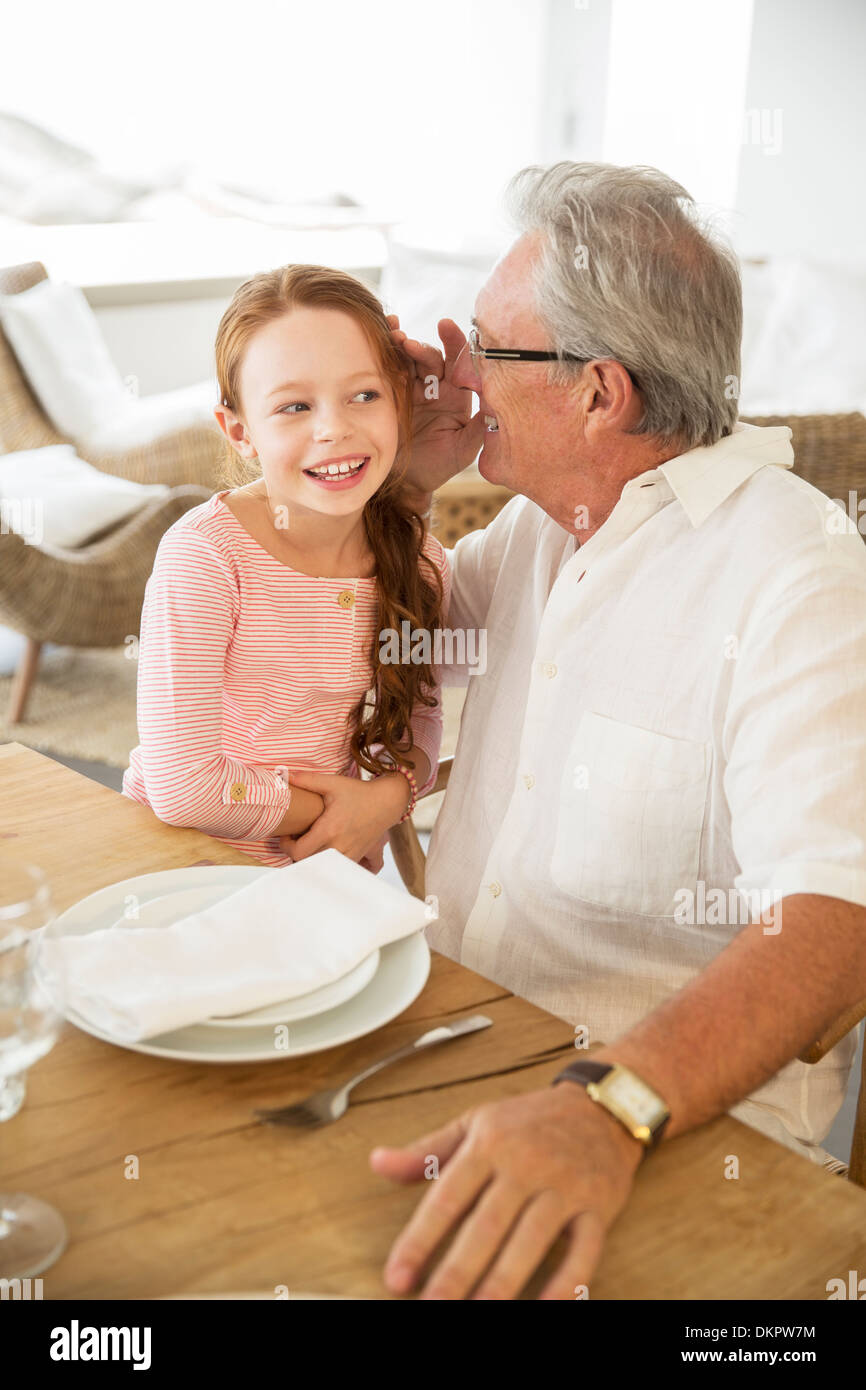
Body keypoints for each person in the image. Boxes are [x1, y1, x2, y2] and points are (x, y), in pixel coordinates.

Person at [350, 162, 866, 1300]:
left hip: (665, 1137)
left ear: (598, 392)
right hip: (452, 1059)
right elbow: (356, 662)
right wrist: (400, 485)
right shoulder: (535, 534)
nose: (454, 371)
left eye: (485, 345)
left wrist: (607, 1106)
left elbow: (833, 922)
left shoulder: (796, 579)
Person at [122, 264, 450, 870]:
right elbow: (182, 784)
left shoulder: (420, 558)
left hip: (324, 875)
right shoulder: (206, 557)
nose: (334, 429)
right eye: (294, 406)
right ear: (240, 431)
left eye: (365, 395)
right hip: (181, 870)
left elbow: (421, 718)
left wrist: (390, 795)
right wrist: (348, 811)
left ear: (401, 401)